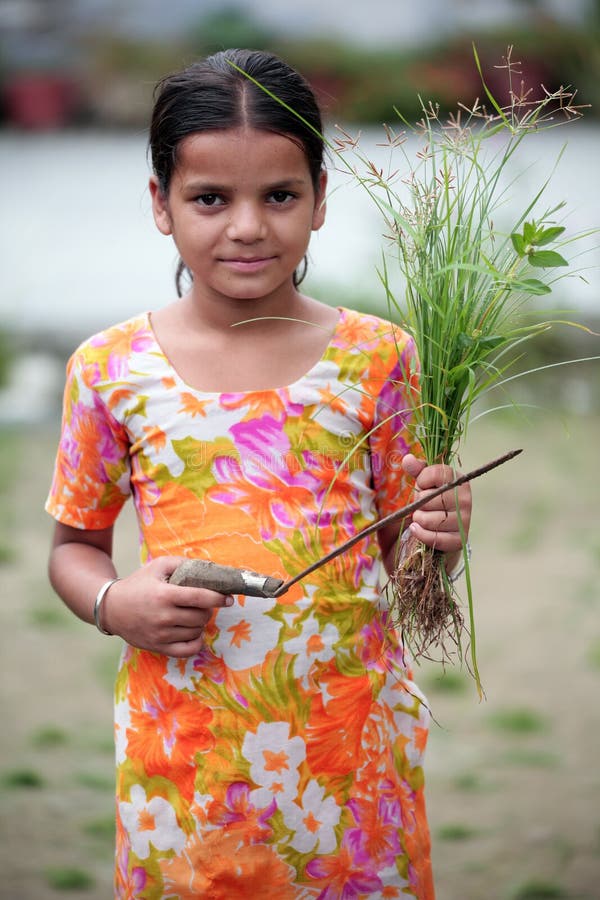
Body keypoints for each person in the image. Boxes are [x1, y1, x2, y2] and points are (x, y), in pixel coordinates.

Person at [46, 48, 471, 899]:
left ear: (320, 198)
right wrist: (112, 603)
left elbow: (402, 561)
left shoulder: (379, 358)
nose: (247, 227)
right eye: (210, 198)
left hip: (353, 754)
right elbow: (73, 547)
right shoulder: (111, 368)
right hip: (185, 759)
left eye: (279, 196)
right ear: (161, 204)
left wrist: (442, 536)